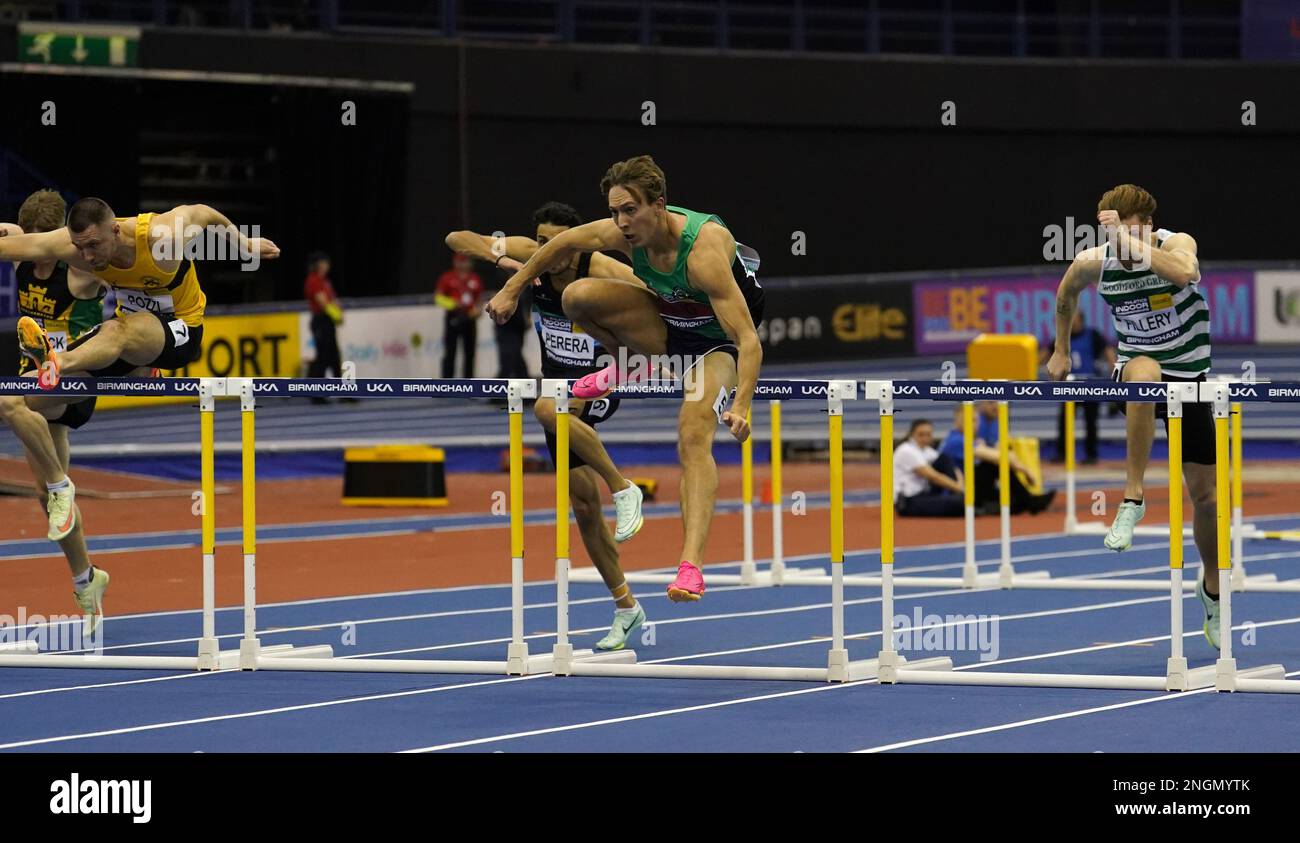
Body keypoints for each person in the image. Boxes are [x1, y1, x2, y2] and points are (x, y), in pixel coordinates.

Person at [486, 155, 765, 604]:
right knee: (577, 295)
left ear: (659, 205)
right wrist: (512, 287)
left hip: (717, 343)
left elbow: (749, 339)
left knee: (692, 434)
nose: (621, 222)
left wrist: (742, 405)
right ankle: (620, 364)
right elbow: (562, 245)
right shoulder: (620, 234)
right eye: (615, 211)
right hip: (669, 327)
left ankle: (691, 566)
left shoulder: (705, 249)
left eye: (629, 211)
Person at [446, 200, 648, 649]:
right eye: (540, 241)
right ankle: (627, 608)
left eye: (556, 241)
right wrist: (505, 259)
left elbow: (653, 298)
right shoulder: (531, 256)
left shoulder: (601, 268)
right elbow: (456, 240)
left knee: (544, 407)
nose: (546, 248)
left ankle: (622, 486)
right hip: (560, 389)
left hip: (599, 383)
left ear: (575, 243)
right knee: (584, 508)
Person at [1048, 183, 1222, 649]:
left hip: (1192, 379)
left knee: (1205, 499)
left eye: (1131, 231)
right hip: (1141, 366)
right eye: (1116, 234)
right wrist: (1061, 351)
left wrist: (1135, 244)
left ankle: (1211, 589)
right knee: (1143, 373)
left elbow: (1184, 274)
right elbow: (1065, 296)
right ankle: (1132, 497)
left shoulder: (1175, 243)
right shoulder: (1093, 262)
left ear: (1147, 226)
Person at [0, 190, 108, 631]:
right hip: (39, 391)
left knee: (7, 399)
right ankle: (87, 579)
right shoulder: (22, 255)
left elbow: (119, 267)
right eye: (33, 246)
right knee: (48, 500)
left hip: (73, 384)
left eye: (49, 246)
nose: (40, 257)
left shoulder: (80, 267)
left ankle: (62, 485)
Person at [938, 403, 1056, 515]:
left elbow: (1004, 453)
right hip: (957, 491)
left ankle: (1022, 502)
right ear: (957, 422)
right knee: (993, 465)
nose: (975, 424)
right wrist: (1025, 471)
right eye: (970, 420)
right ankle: (1030, 501)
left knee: (1014, 499)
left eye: (976, 420)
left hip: (969, 486)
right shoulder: (957, 441)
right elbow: (1000, 457)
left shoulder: (968, 439)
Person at [1040, 311, 1116, 463]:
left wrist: (1115, 373)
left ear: (1081, 320)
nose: (1071, 322)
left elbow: (1108, 352)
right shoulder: (1061, 339)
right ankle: (1062, 453)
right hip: (1069, 387)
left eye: (1073, 318)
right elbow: (1044, 356)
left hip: (1090, 385)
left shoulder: (1093, 335)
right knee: (1064, 421)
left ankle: (1091, 455)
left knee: (1091, 422)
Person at [894, 419, 965, 517]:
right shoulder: (907, 450)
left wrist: (961, 484)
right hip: (908, 501)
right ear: (911, 434)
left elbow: (953, 467)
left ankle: (960, 498)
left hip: (924, 493)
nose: (925, 438)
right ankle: (961, 500)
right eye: (921, 434)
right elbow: (933, 477)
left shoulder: (926, 450)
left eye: (928, 435)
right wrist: (960, 489)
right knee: (958, 503)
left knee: (944, 458)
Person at [435, 252, 483, 379]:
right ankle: (447, 383)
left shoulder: (474, 278)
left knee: (469, 352)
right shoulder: (448, 277)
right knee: (450, 351)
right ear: (456, 262)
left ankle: (469, 383)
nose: (464, 264)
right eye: (461, 261)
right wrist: (453, 304)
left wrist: (478, 310)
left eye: (466, 261)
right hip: (454, 317)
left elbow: (478, 299)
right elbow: (438, 298)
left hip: (469, 318)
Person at [303, 251, 344, 401]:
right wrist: (337, 315)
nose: (327, 265)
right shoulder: (313, 281)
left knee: (334, 357)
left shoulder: (324, 281)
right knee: (323, 358)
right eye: (324, 262)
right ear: (317, 264)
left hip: (328, 321)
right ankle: (316, 393)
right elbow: (323, 303)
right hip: (321, 321)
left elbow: (332, 299)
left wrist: (337, 312)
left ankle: (342, 391)